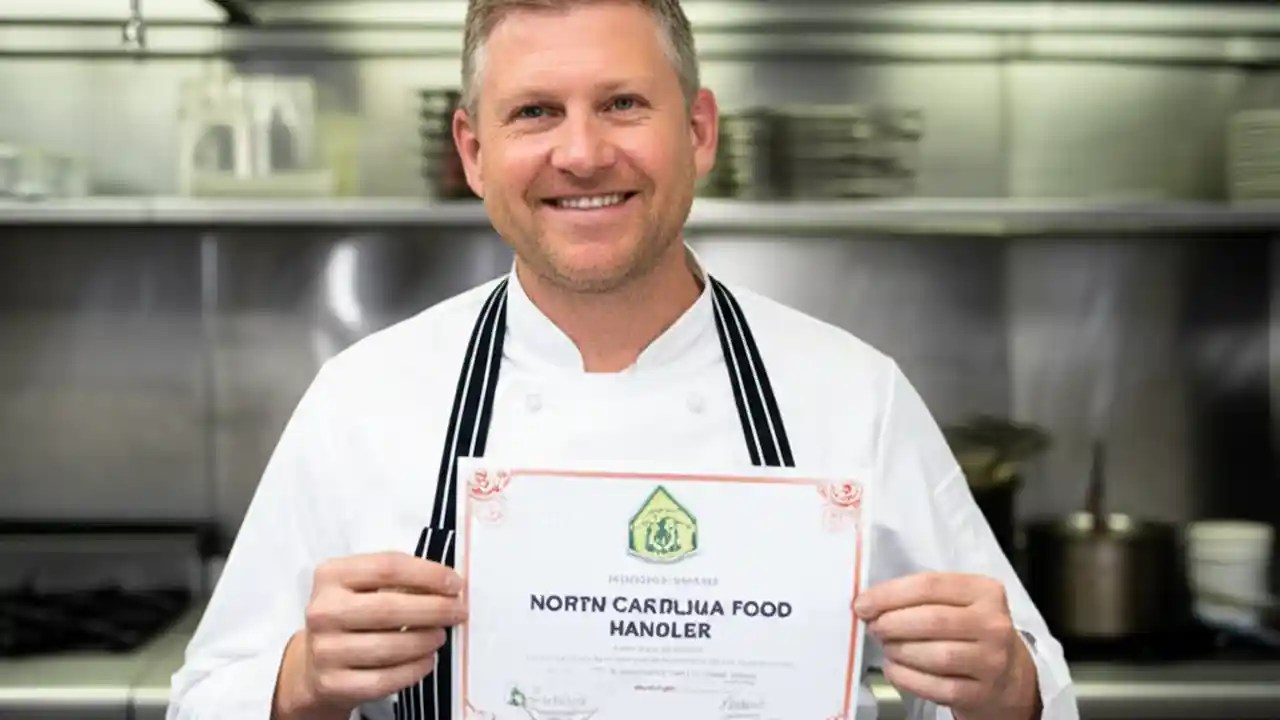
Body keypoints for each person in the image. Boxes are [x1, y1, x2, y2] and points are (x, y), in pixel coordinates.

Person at [167, 0, 1079, 718]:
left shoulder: (853, 394)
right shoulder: (363, 398)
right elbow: (207, 699)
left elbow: (1033, 691)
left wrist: (1004, 690)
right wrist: (297, 685)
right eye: (534, 113)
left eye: (622, 104)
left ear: (698, 132)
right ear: (475, 154)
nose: (582, 152)